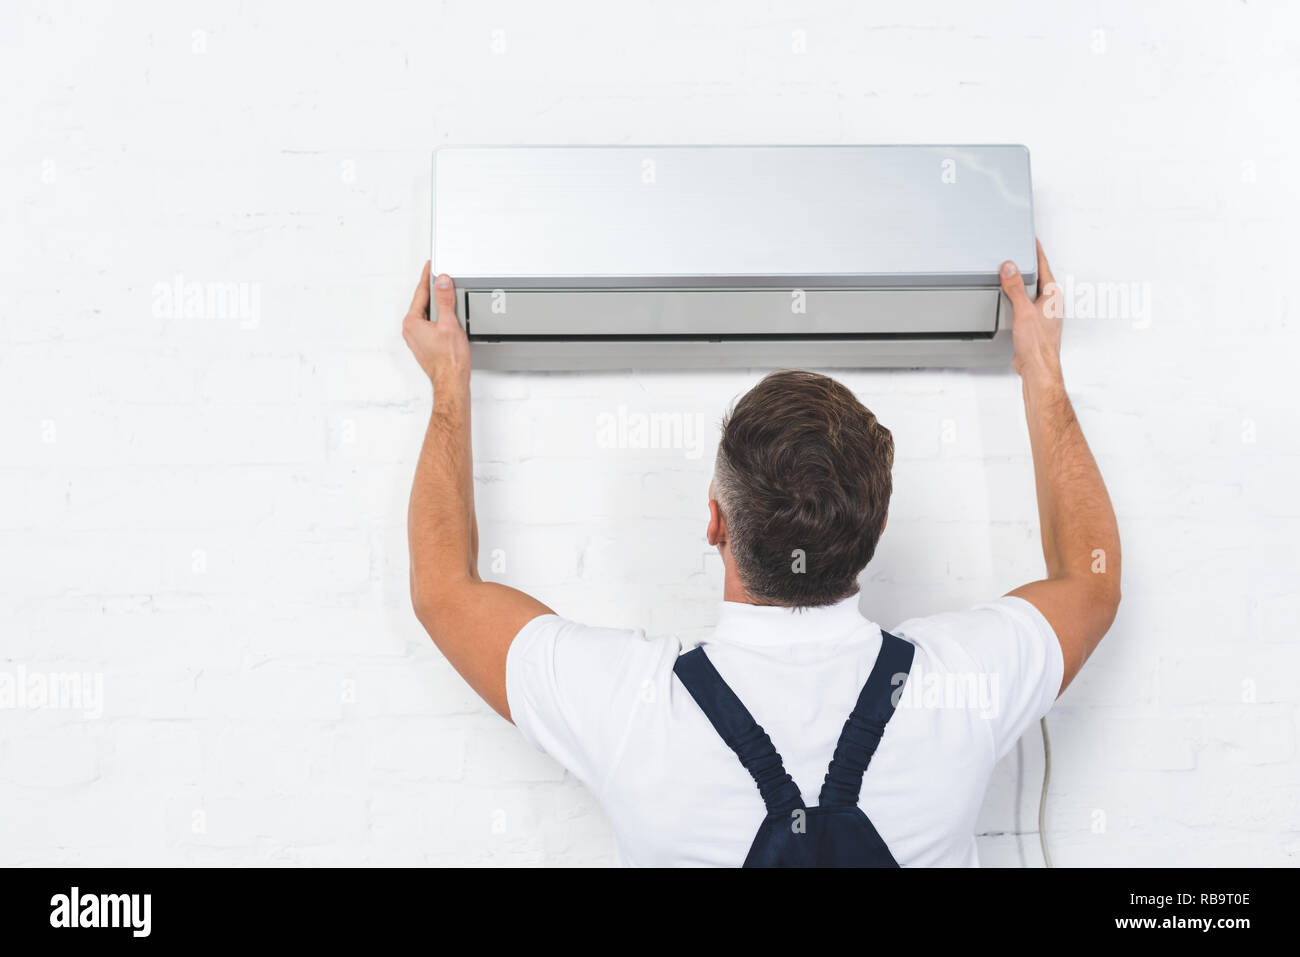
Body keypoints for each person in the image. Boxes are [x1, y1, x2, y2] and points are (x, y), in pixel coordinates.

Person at [401, 242, 1121, 866]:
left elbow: (443, 589)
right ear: (877, 526)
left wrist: (448, 384)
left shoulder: (631, 706)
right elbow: (1091, 583)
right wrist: (1041, 367)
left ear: (714, 520)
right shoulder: (960, 684)